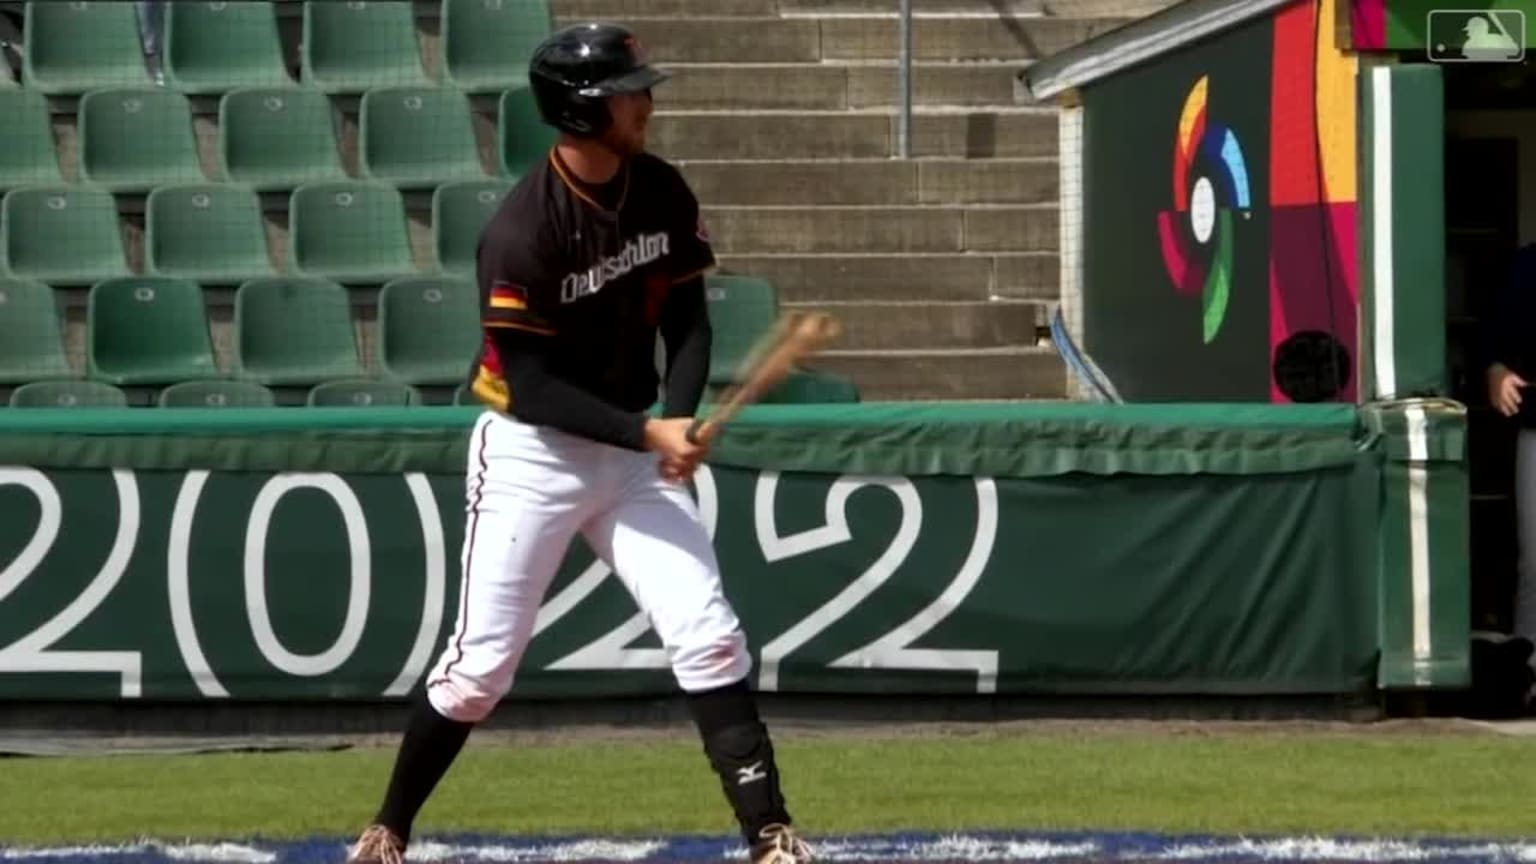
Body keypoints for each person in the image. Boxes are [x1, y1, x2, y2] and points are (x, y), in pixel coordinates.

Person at [343, 21, 814, 864]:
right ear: (585, 110)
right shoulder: (522, 230)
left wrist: (674, 421)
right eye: (631, 91)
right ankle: (389, 828)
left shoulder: (660, 189)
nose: (646, 102)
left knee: (708, 632)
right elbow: (530, 386)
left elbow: (689, 321)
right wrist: (649, 430)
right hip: (533, 453)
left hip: (633, 454)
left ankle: (770, 836)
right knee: (480, 669)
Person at [1485, 244, 1536, 663]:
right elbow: (1493, 342)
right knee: (1535, 560)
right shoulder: (1527, 264)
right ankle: (1530, 671)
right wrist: (1495, 371)